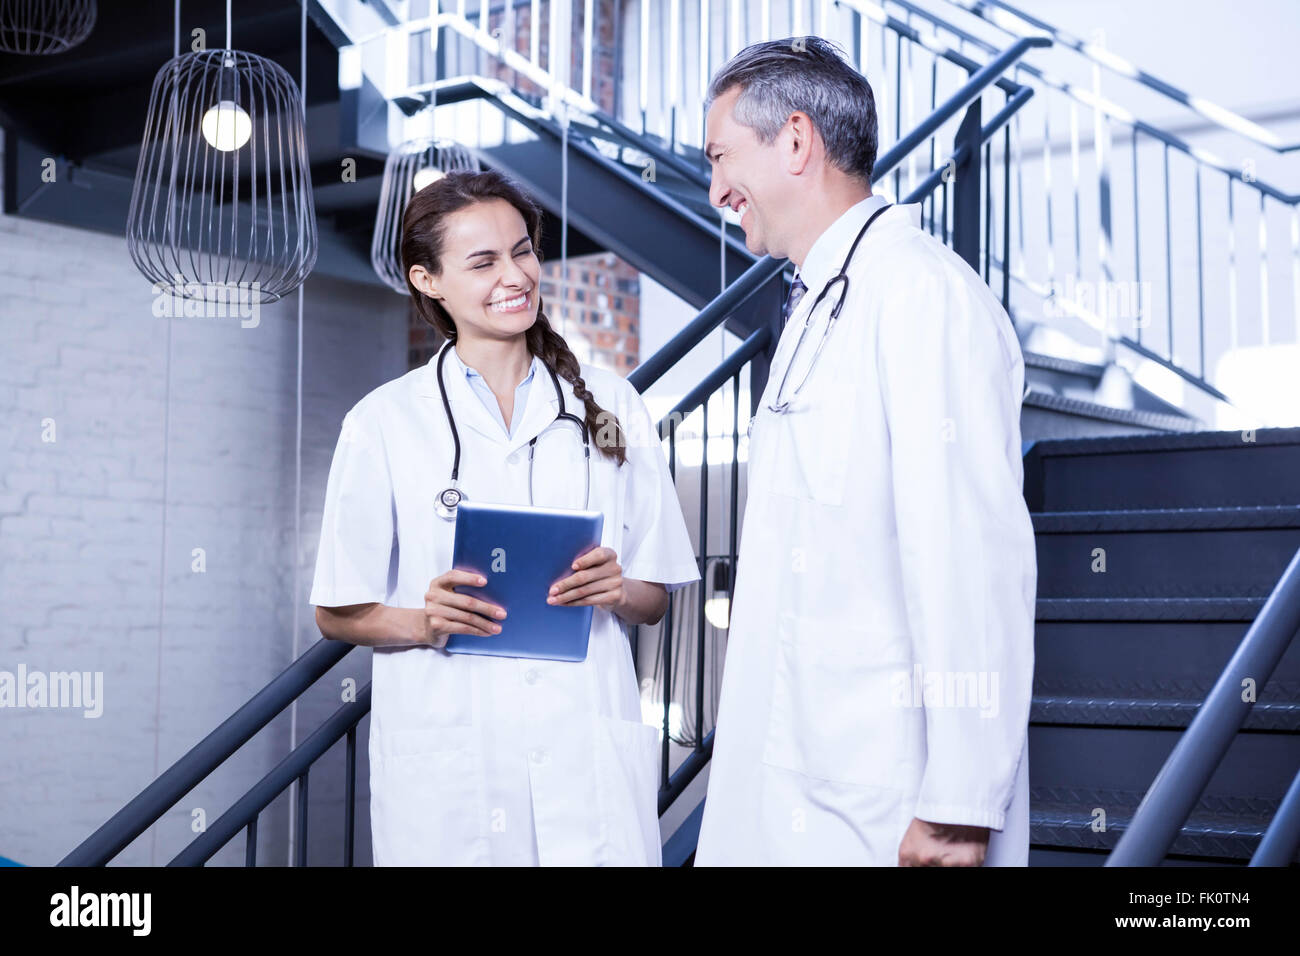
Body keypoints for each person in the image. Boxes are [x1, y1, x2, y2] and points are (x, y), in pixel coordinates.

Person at [693, 37, 1037, 866]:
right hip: (797, 773)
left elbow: (968, 557)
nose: (715, 191)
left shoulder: (921, 296)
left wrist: (957, 803)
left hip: (879, 795)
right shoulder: (818, 301)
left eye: (720, 158)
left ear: (798, 143)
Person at [309, 169, 699, 866]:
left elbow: (654, 600)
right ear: (428, 280)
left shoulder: (612, 405)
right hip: (450, 763)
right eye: (482, 261)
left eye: (522, 251)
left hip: (585, 755)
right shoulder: (384, 422)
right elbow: (337, 611)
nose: (514, 275)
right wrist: (422, 623)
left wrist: (617, 588)